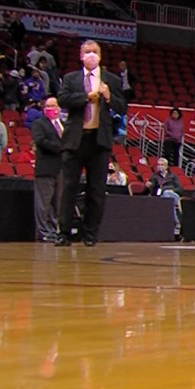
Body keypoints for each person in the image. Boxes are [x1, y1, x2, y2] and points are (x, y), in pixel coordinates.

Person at [56, 39, 128, 246]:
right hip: (76, 139)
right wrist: (86, 97)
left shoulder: (111, 81)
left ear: (100, 55)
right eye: (87, 51)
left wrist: (108, 97)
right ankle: (64, 233)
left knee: (96, 190)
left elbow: (122, 107)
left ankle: (90, 234)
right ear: (81, 56)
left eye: (94, 51)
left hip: (100, 140)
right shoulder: (70, 79)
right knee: (69, 187)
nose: (91, 55)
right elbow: (63, 99)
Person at [31, 96, 64, 242]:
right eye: (48, 106)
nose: (52, 108)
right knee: (43, 203)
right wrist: (61, 148)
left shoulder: (65, 125)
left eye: (54, 105)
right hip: (46, 168)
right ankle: (43, 232)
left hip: (62, 169)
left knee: (57, 203)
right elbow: (41, 141)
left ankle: (55, 230)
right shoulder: (39, 124)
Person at [145, 157, 183, 236]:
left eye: (162, 165)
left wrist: (172, 191)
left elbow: (179, 188)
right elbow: (153, 190)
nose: (159, 166)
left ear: (166, 166)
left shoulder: (173, 176)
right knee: (167, 196)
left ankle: (176, 224)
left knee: (168, 195)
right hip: (162, 196)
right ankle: (177, 221)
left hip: (173, 194)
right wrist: (149, 186)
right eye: (158, 165)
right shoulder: (154, 176)